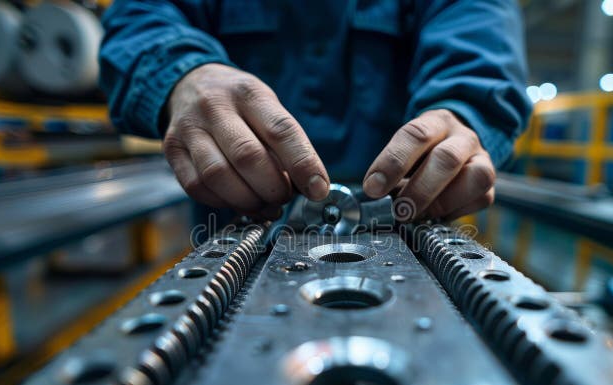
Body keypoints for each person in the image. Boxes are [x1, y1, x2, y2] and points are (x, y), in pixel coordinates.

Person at [99, 0, 531, 221]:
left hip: (410, 236)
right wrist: (184, 76)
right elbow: (141, 17)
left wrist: (463, 117)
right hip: (236, 234)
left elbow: (482, 46)